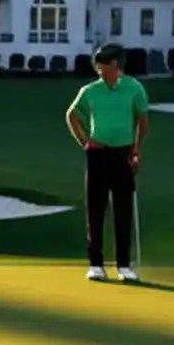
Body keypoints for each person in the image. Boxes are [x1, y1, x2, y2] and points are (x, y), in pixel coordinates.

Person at [65, 44, 150, 283]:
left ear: (115, 64)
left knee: (123, 209)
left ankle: (124, 265)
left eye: (103, 65)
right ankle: (96, 265)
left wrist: (136, 151)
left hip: (123, 153)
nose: (99, 70)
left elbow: (142, 122)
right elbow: (72, 115)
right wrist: (84, 141)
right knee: (95, 209)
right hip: (98, 153)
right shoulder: (90, 90)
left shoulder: (133, 88)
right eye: (97, 65)